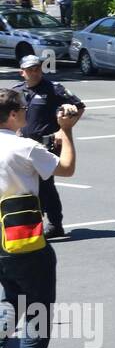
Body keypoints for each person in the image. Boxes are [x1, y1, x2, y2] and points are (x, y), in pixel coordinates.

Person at [0, 88, 79, 348]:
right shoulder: (24, 147)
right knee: (38, 306)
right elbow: (68, 168)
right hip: (23, 238)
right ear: (13, 115)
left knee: (11, 301)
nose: (27, 113)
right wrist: (68, 133)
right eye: (23, 109)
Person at [13, 55, 85, 239]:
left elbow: (79, 107)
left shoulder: (53, 89)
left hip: (46, 144)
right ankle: (32, 222)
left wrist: (64, 129)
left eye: (37, 68)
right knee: (26, 185)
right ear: (22, 72)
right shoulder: (16, 92)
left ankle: (54, 224)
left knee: (45, 185)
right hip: (22, 145)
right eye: (30, 69)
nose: (34, 72)